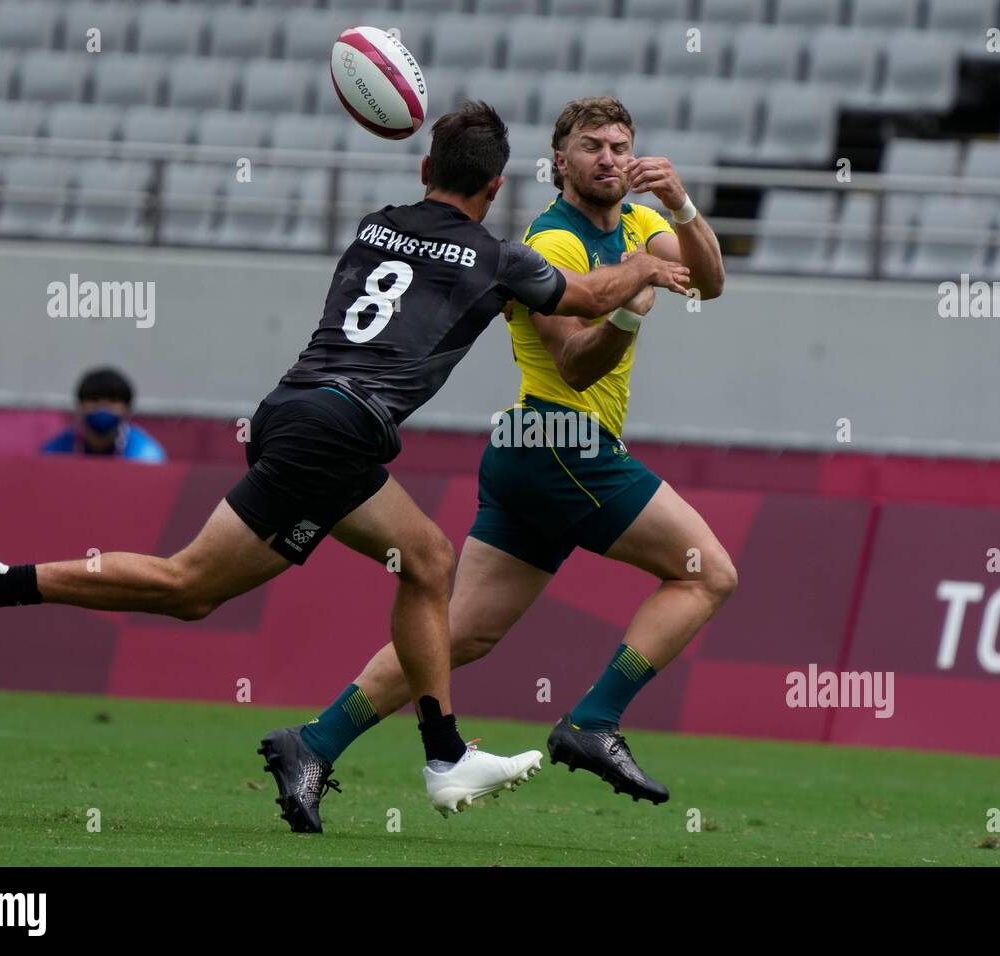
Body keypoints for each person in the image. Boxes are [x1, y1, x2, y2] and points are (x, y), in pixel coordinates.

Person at [0, 102, 692, 833]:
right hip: (342, 428)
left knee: (190, 588)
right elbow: (588, 296)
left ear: (424, 170)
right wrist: (648, 270)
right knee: (427, 559)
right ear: (496, 185)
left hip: (291, 410)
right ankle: (446, 756)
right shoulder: (498, 257)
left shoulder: (375, 227)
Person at [306, 96, 735, 810]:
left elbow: (712, 283)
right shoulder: (549, 243)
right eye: (593, 146)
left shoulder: (638, 221)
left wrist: (684, 208)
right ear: (559, 161)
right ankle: (594, 722)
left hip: (530, 451)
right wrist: (629, 309)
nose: (609, 158)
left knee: (460, 635)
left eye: (621, 146)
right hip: (562, 440)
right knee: (708, 574)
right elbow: (573, 366)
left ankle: (313, 743)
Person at [40, 367, 166, 463]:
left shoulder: (146, 455)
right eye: (94, 399)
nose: (102, 407)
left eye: (113, 401)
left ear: (128, 410)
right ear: (79, 407)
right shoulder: (55, 452)